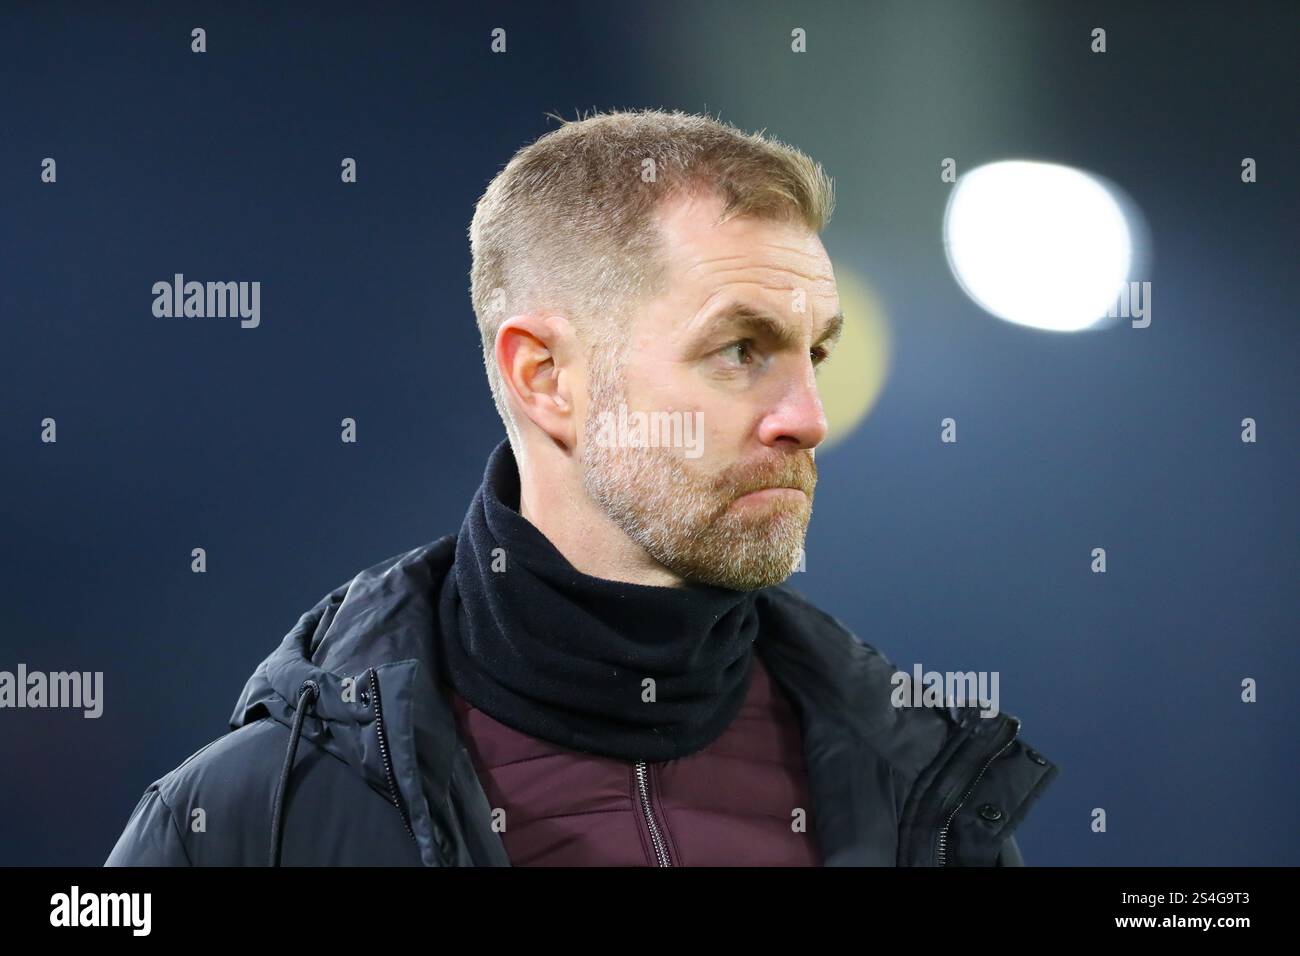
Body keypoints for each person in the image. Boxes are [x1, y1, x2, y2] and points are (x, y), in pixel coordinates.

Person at [106, 108, 1057, 867]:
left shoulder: (924, 793)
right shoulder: (247, 822)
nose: (808, 415)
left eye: (814, 353)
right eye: (740, 349)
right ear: (545, 378)